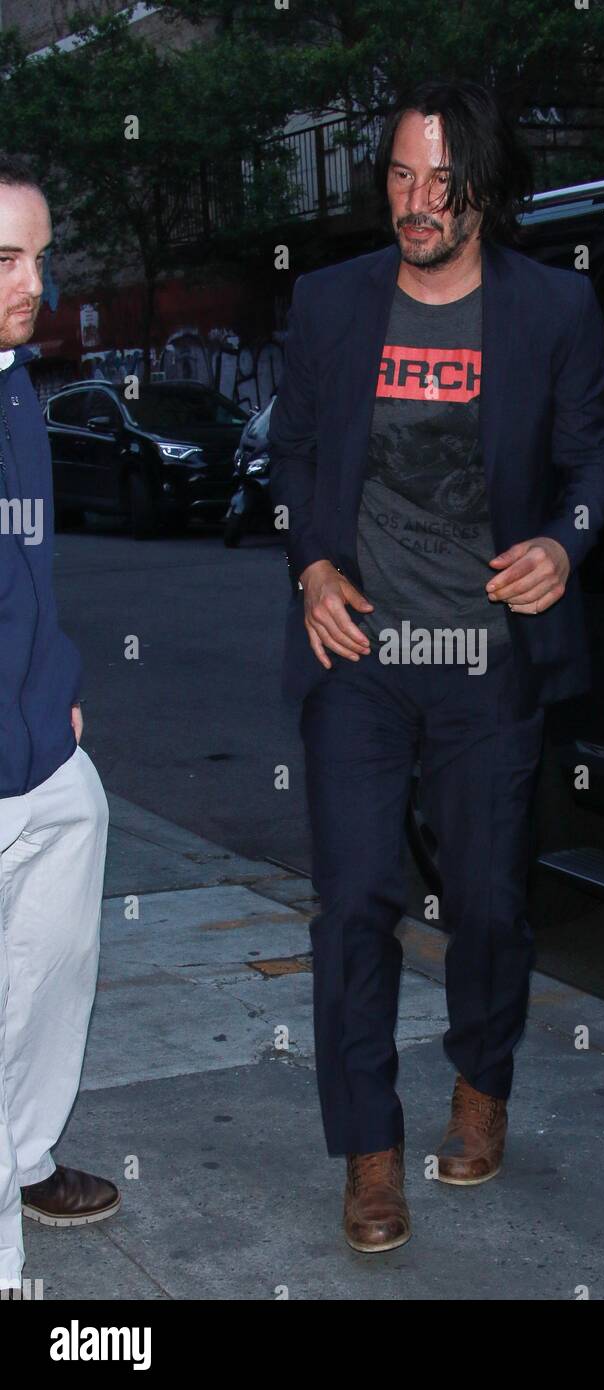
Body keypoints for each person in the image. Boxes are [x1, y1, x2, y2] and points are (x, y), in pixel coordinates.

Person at [268, 79, 604, 1253]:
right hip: (360, 648)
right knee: (354, 900)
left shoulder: (551, 310)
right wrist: (312, 566)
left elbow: (587, 459)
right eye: (401, 180)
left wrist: (560, 547)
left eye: (442, 184)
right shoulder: (327, 305)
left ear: (485, 190)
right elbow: (297, 452)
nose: (416, 205)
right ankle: (368, 1149)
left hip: (483, 658)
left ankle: (481, 1080)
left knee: (483, 900)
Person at [0, 158, 117, 1300]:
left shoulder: (17, 381)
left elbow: (27, 573)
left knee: (53, 966)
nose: (35, 281)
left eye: (39, 253)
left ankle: (27, 1151)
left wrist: (56, 679)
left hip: (40, 748)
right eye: (5, 260)